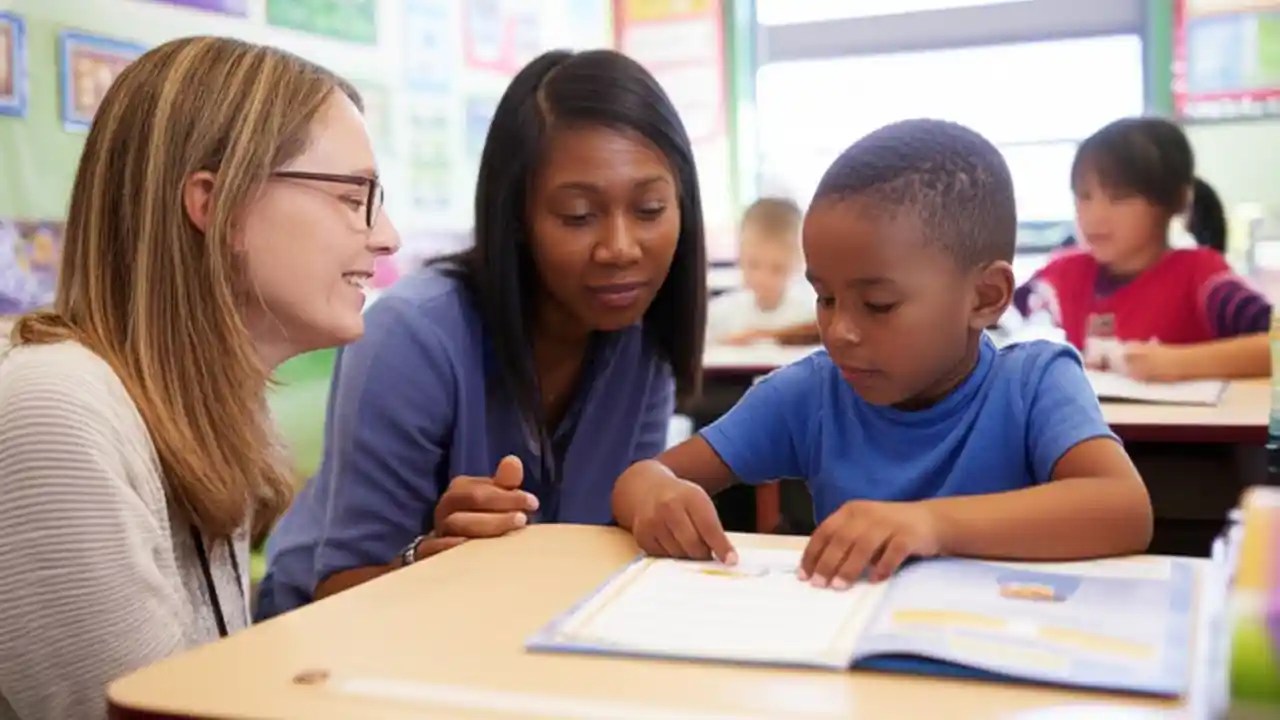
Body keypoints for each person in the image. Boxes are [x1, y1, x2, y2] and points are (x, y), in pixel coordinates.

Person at [0, 36, 397, 720]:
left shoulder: (207, 409)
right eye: (352, 195)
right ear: (217, 205)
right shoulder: (57, 409)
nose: (386, 235)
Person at [255, 49, 707, 619]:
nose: (620, 248)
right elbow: (336, 589)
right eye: (577, 215)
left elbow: (601, 558)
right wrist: (435, 559)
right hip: (324, 635)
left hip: (515, 626)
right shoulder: (413, 336)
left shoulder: (644, 343)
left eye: (649, 209)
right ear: (516, 217)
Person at [612, 119, 1153, 587]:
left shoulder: (1035, 383)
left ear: (985, 297)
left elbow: (1124, 509)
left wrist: (930, 525)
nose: (840, 330)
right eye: (825, 297)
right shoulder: (813, 392)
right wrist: (652, 493)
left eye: (878, 304)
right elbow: (643, 477)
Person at [1014, 117, 1270, 381]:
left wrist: (1173, 363)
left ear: (1174, 201)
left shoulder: (1201, 276)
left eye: (1120, 198)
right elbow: (1000, 323)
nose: (1095, 216)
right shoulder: (1062, 274)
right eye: (1084, 196)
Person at [706, 197, 817, 346]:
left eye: (778, 269)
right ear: (740, 256)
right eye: (753, 264)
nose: (763, 278)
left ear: (799, 263)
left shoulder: (810, 315)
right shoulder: (718, 315)